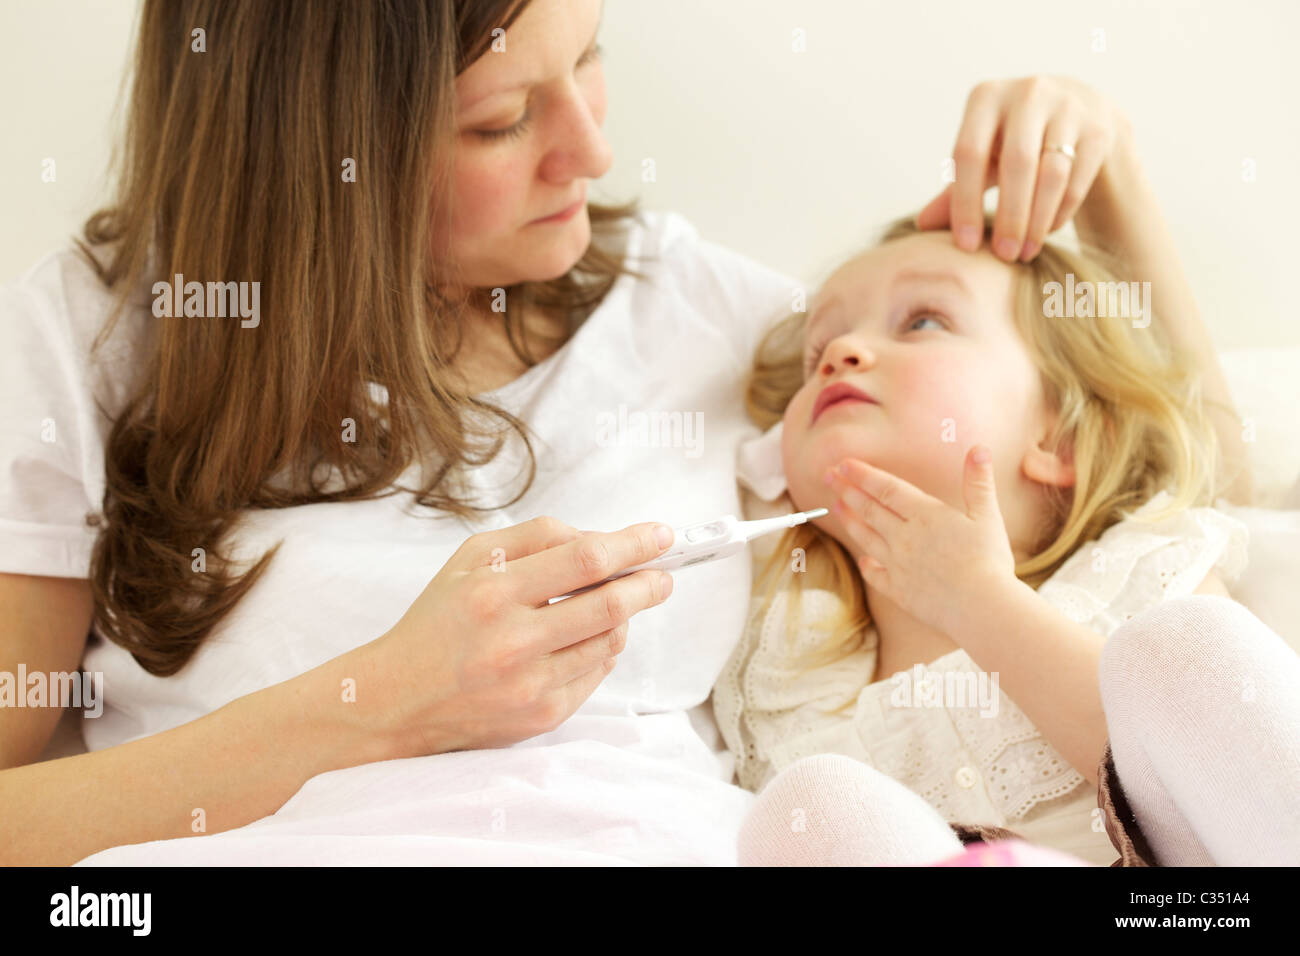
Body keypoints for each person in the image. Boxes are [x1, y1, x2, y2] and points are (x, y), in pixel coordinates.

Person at [0, 0, 1253, 866]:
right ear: (320, 158)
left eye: (589, 57)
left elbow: (1185, 493)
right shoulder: (100, 335)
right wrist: (372, 703)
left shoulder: (694, 311)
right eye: (499, 123)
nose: (591, 150)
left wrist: (1114, 185)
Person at [714, 212, 1300, 866]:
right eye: (814, 352)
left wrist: (978, 601)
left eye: (923, 321)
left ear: (1064, 437)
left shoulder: (1144, 567)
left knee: (1192, 648)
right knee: (812, 808)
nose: (838, 354)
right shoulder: (794, 683)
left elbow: (1199, 770)